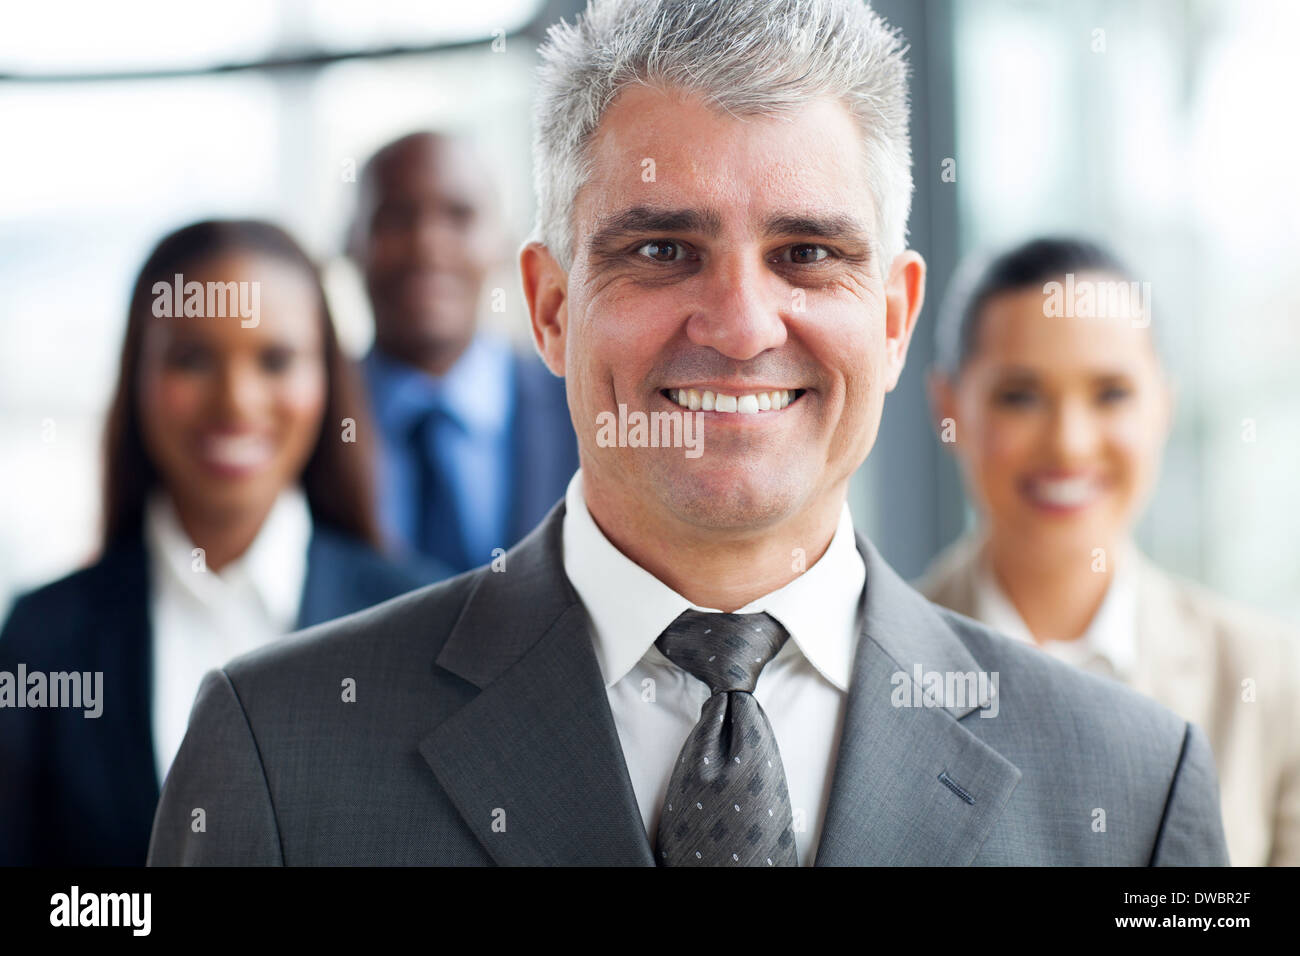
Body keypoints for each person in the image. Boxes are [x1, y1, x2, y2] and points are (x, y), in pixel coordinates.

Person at [149, 0, 1228, 866]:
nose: (742, 326)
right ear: (552, 309)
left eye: (807, 253)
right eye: (663, 251)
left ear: (896, 319)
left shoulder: (1131, 787)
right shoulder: (277, 749)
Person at [0, 219, 439, 866]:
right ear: (138, 375)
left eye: (275, 360)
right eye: (193, 359)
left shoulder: (427, 625)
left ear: (327, 380)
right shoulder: (44, 638)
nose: (236, 402)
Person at [917, 236, 1300, 866]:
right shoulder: (875, 665)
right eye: (1021, 396)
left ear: (1164, 406)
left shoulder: (1268, 678)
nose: (1069, 444)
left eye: (1112, 394)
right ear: (948, 407)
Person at [349, 130, 578, 574]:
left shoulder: (581, 408)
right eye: (395, 217)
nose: (427, 246)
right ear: (351, 243)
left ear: (504, 243)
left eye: (459, 215)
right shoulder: (308, 416)